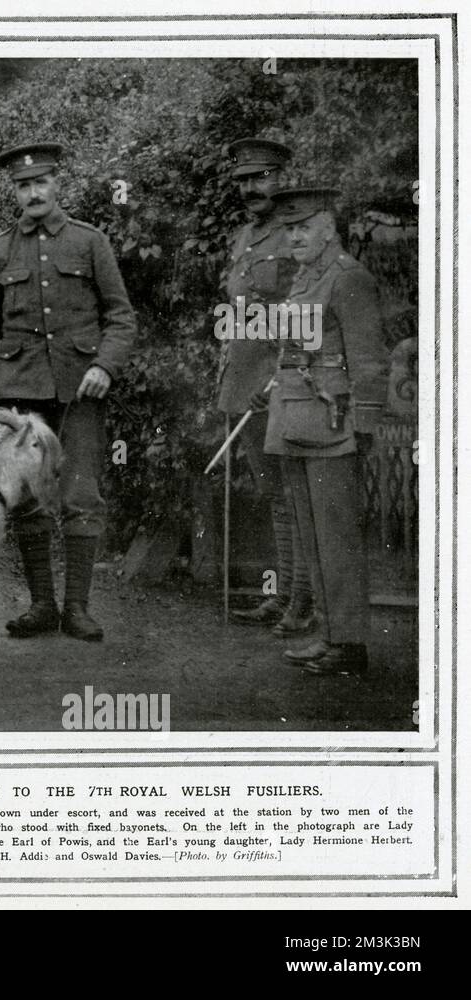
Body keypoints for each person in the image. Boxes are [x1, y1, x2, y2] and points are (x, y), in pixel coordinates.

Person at [0, 142, 137, 642]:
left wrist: (105, 365)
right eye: (23, 186)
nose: (33, 193)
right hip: (22, 401)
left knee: (82, 496)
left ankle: (78, 609)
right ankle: (42, 605)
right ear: (14, 192)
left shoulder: (90, 242)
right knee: (28, 502)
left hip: (80, 395)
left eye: (41, 183)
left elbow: (121, 317)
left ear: (57, 184)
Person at [264, 187, 388, 676]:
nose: (294, 235)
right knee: (314, 539)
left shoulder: (348, 278)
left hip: (333, 428)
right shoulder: (305, 278)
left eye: (304, 227)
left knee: (337, 541)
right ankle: (330, 635)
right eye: (289, 228)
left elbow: (369, 359)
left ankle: (350, 644)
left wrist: (367, 424)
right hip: (296, 420)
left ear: (328, 227)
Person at [219, 138, 315, 636]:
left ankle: (304, 601)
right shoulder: (245, 237)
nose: (251, 189)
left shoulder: (298, 234)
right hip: (246, 380)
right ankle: (281, 598)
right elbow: (238, 314)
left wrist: (281, 374)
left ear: (281, 177)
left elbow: (308, 312)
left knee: (296, 494)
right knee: (273, 493)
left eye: (260, 178)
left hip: (283, 381)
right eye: (242, 180)